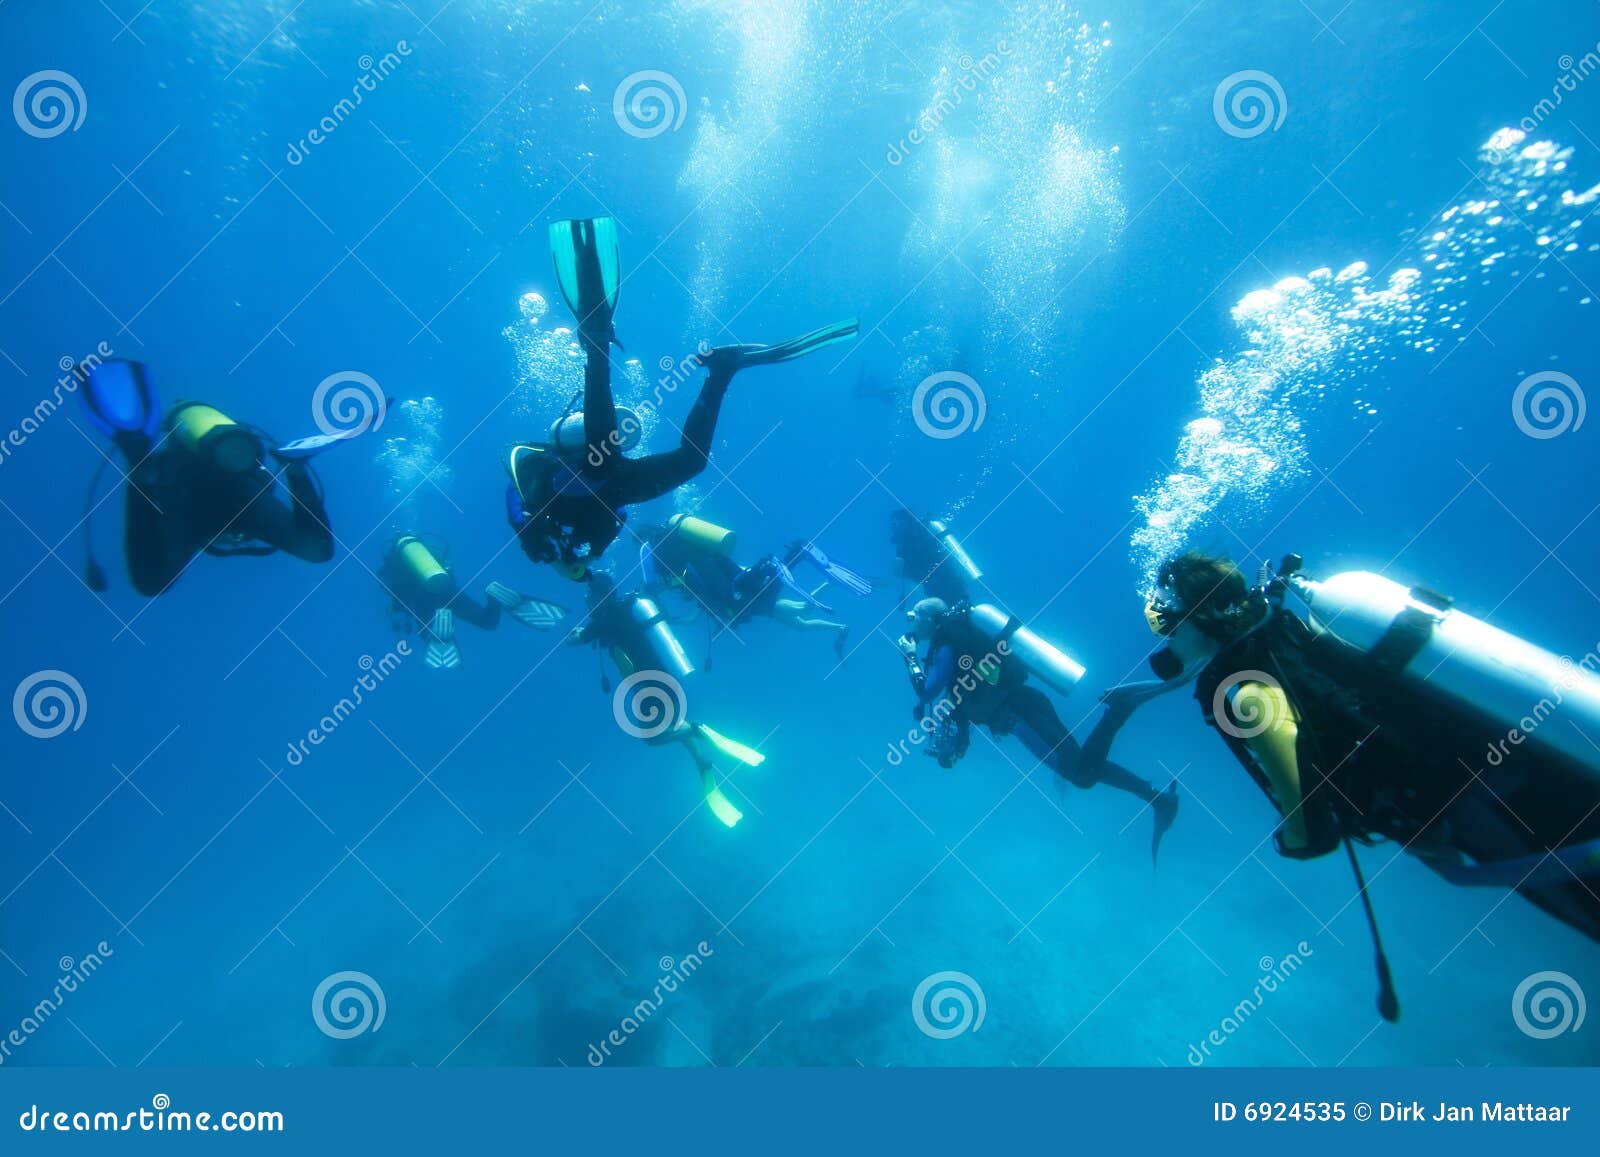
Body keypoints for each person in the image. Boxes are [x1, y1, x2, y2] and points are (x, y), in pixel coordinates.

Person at [1140, 550, 1600, 948]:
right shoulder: (1284, 627)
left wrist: (1296, 839)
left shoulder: (1238, 685)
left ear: (1201, 619)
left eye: (1168, 623)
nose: (1164, 637)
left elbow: (1300, 794)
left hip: (1481, 809)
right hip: (1518, 759)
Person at [506, 217, 858, 581]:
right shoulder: (572, 547)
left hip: (576, 476)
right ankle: (721, 372)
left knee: (598, 461)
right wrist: (590, 553)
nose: (575, 567)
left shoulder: (531, 505)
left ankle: (596, 345)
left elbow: (516, 465)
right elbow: (619, 517)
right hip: (614, 489)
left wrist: (524, 525)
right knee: (692, 463)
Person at [898, 596, 1180, 859]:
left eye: (916, 615)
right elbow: (959, 703)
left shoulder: (948, 644)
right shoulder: (956, 643)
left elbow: (927, 691)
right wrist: (958, 744)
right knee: (1082, 769)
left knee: (1081, 774)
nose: (911, 621)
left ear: (930, 619)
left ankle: (1120, 708)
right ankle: (1158, 800)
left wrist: (909, 656)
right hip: (1024, 710)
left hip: (1022, 714)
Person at [77, 359, 334, 596]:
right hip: (233, 491)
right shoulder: (249, 516)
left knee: (152, 582)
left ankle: (139, 466)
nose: (234, 540)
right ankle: (295, 467)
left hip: (189, 491)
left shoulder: (193, 519)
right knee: (150, 582)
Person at [567, 570, 768, 828]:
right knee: (674, 723)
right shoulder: (631, 604)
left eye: (589, 595)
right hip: (668, 676)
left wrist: (575, 633)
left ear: (597, 597)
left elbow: (575, 639)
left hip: (651, 686)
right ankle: (702, 762)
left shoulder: (604, 620)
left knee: (652, 738)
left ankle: (698, 730)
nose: (586, 600)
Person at [639, 514, 871, 658]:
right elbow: (694, 613)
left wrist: (662, 615)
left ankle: (781, 562)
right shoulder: (692, 555)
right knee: (794, 611)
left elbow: (655, 588)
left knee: (795, 609)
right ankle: (795, 556)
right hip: (737, 581)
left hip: (744, 598)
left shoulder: (652, 551)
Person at [378, 532, 565, 669]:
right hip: (446, 588)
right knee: (488, 622)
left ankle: (441, 628)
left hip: (421, 598)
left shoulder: (390, 567)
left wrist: (396, 608)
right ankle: (493, 594)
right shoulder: (427, 552)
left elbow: (393, 593)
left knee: (428, 634)